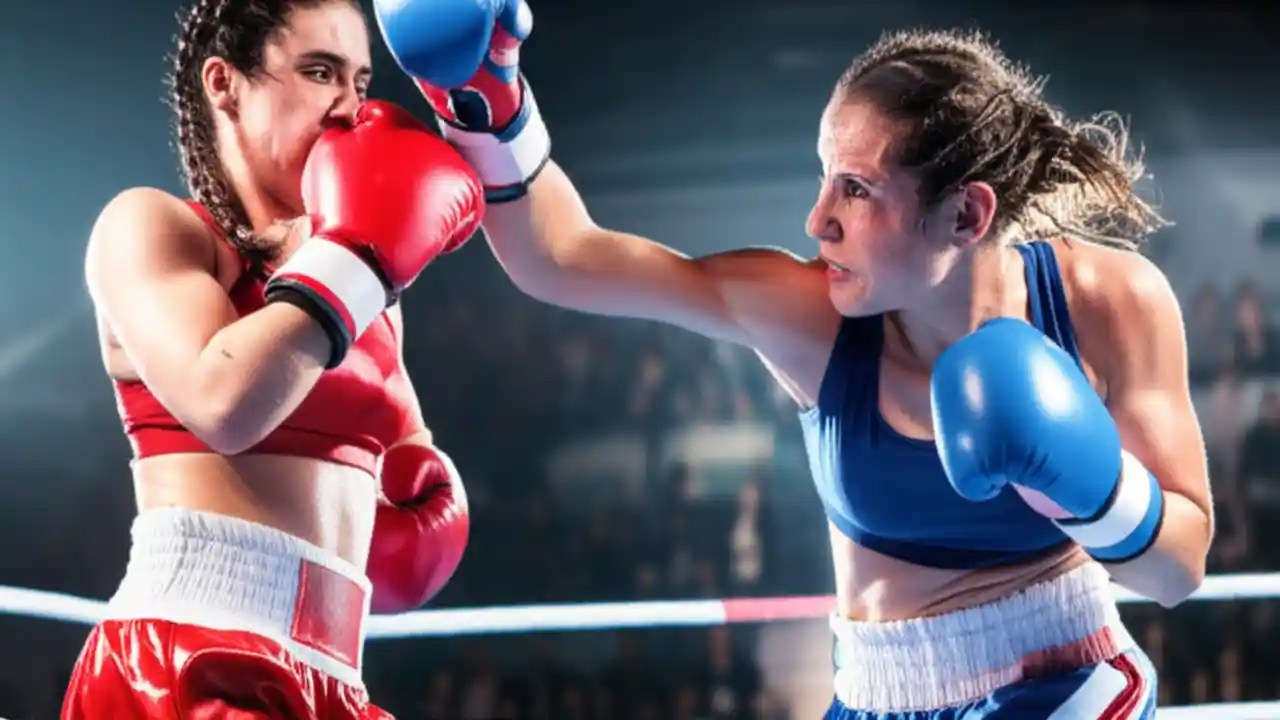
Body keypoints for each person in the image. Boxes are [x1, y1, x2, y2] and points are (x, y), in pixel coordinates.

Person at [375, 3, 1214, 718]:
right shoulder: (813, 321)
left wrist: (1092, 493)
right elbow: (562, 257)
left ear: (965, 215)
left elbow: (1179, 570)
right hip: (872, 694)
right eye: (823, 178)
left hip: (1058, 684)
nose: (817, 220)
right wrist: (487, 107)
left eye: (856, 188)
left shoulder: (1106, 301)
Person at [61, 0, 485, 717]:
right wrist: (356, 260)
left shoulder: (370, 289)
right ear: (224, 83)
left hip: (334, 675)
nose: (351, 108)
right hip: (188, 657)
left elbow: (407, 470)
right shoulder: (152, 227)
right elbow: (220, 401)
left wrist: (425, 525)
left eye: (360, 81)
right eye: (319, 72)